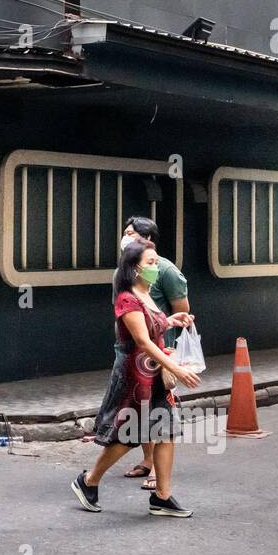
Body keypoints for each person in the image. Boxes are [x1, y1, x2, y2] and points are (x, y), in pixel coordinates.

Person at [70, 240, 199, 518]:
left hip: (153, 376)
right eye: (150, 263)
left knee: (166, 431)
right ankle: (89, 480)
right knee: (128, 436)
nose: (156, 267)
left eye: (156, 262)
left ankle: (162, 497)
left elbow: (152, 326)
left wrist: (171, 321)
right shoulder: (127, 298)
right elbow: (142, 340)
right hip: (135, 376)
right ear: (134, 268)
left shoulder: (147, 293)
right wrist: (177, 369)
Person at [118, 216, 192, 490]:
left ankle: (158, 479)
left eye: (130, 233)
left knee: (159, 412)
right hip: (131, 352)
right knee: (140, 407)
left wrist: (172, 358)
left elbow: (181, 308)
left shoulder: (166, 270)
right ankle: (147, 460)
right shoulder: (127, 271)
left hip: (159, 351)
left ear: (146, 239)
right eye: (125, 233)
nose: (125, 238)